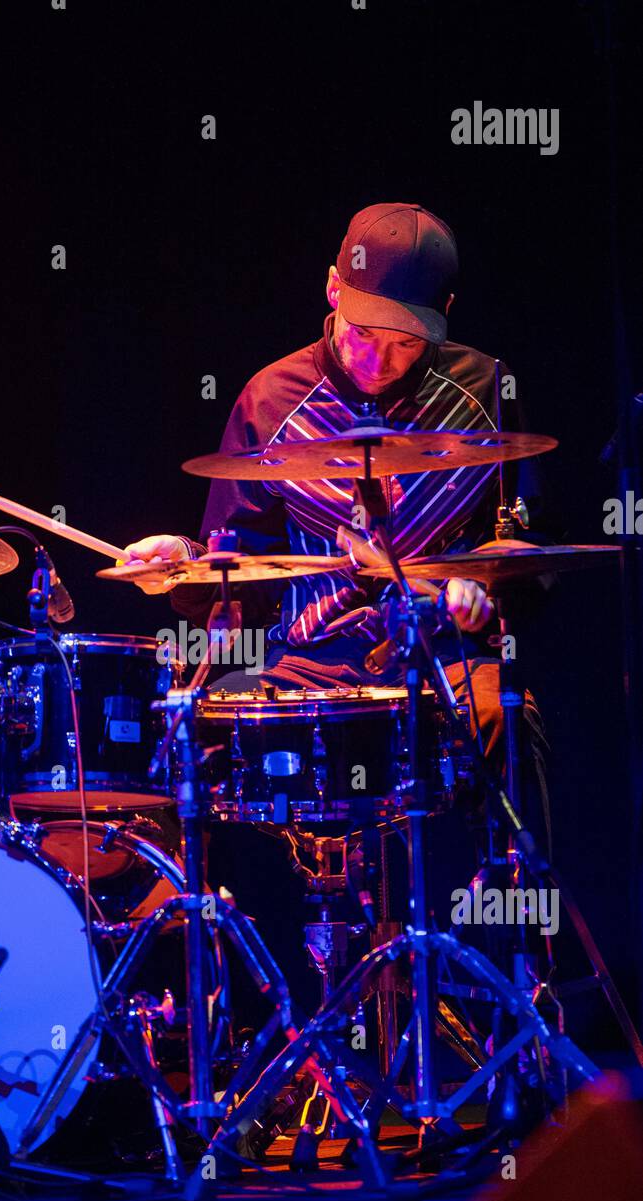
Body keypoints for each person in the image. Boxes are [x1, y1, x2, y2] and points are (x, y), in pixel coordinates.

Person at [125, 202, 551, 836]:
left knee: (506, 722)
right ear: (333, 287)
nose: (379, 362)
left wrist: (485, 590)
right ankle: (209, 926)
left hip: (448, 655)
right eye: (363, 335)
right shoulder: (271, 400)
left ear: (443, 319)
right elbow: (239, 566)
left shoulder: (482, 389)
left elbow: (527, 547)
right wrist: (182, 564)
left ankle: (518, 920)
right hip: (315, 658)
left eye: (406, 344)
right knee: (191, 741)